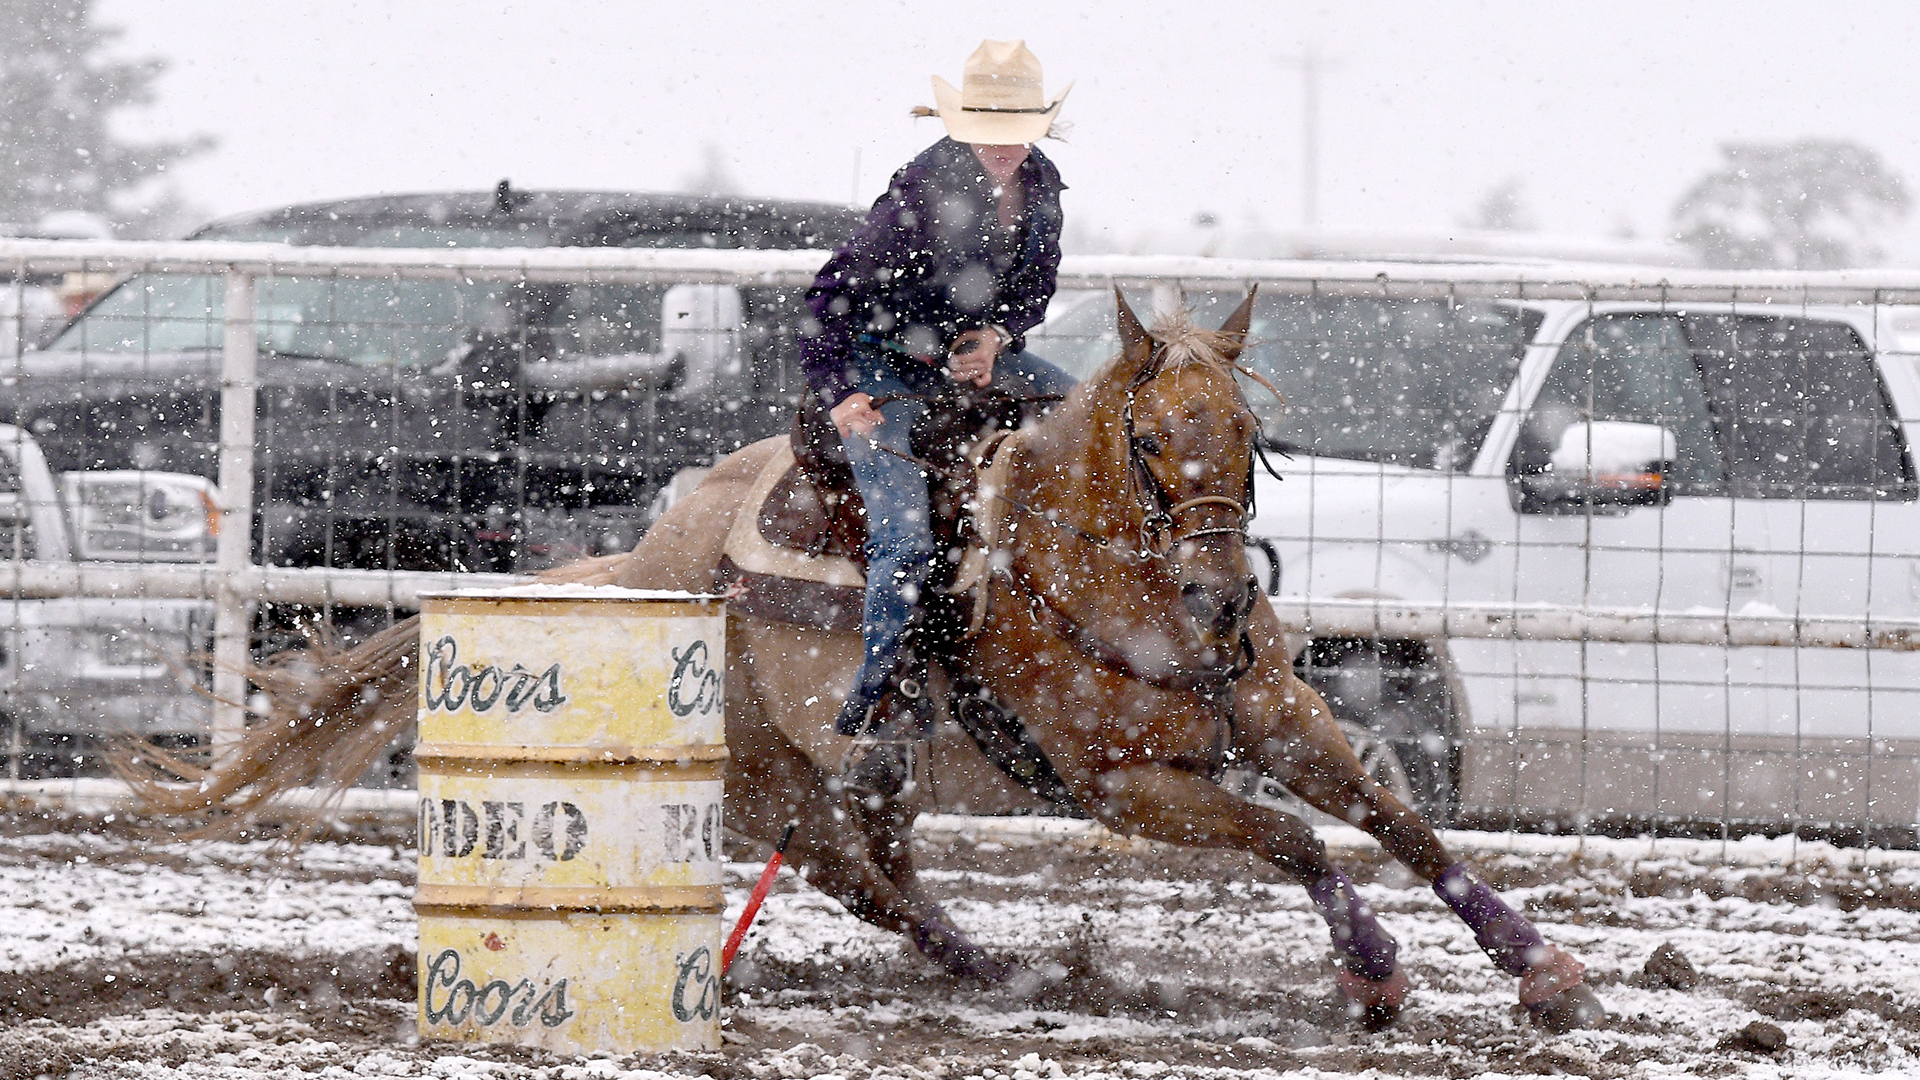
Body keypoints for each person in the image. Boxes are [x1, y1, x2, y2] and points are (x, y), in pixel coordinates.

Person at [800, 40, 1077, 752]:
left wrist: (996, 337)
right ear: (960, 122)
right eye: (988, 124)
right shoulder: (916, 195)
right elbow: (828, 298)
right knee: (905, 538)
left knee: (1090, 418)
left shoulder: (1041, 184)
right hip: (885, 364)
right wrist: (842, 393)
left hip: (959, 355)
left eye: (1016, 125)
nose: (1003, 143)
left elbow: (1031, 290)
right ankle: (877, 698)